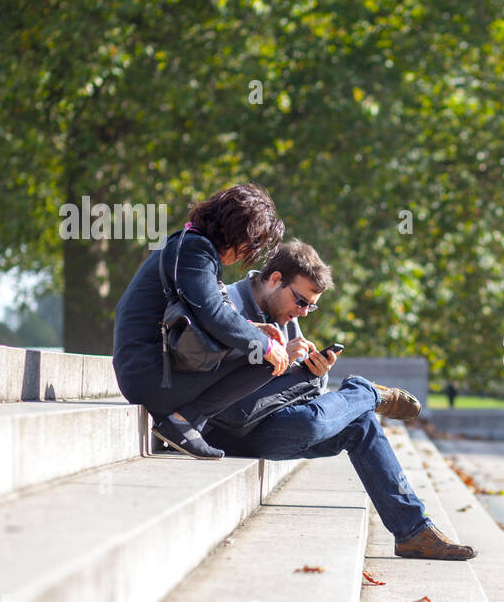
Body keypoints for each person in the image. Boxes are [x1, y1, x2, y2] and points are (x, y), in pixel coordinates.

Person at [199, 240, 476, 561]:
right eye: (301, 300)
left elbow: (299, 391)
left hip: (264, 421)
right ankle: (367, 392)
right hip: (223, 426)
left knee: (360, 423)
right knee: (313, 421)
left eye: (310, 307)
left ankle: (413, 532)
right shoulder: (228, 304)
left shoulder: (286, 317)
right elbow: (225, 393)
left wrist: (315, 373)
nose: (302, 311)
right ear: (275, 279)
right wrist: (275, 357)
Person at [112, 183, 296, 460]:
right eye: (250, 246)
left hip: (148, 368)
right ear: (239, 232)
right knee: (267, 358)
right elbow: (213, 315)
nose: (246, 256)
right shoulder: (194, 250)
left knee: (264, 347)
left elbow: (205, 312)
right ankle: (183, 422)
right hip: (149, 376)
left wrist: (255, 330)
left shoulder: (190, 244)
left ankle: (185, 421)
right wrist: (265, 346)